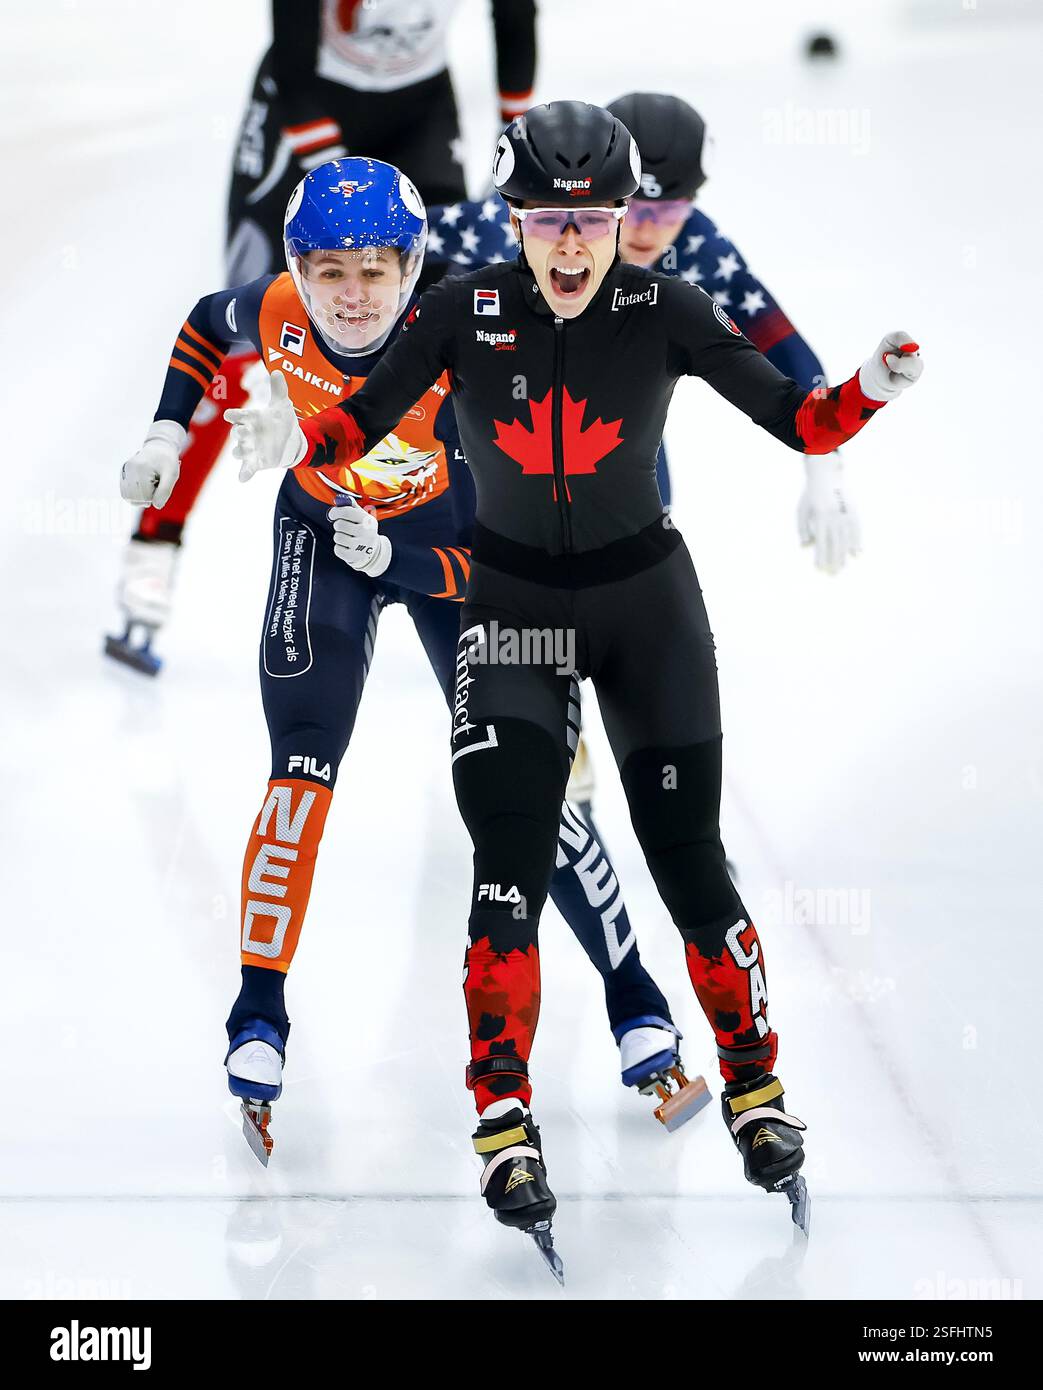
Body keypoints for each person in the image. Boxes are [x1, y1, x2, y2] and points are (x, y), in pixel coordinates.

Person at [226, 102, 922, 1259]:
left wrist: (865, 389)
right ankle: (503, 1110)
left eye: (590, 223)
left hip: (645, 605)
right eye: (545, 222)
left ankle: (753, 1087)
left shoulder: (670, 307)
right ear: (511, 220)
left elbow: (796, 418)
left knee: (687, 857)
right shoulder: (460, 306)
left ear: (615, 222)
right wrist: (287, 437)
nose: (567, 246)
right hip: (509, 607)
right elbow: (356, 422)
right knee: (508, 861)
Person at [118, 155, 702, 1167]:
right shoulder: (276, 313)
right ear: (298, 271)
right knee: (300, 771)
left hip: (453, 552)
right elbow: (207, 324)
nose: (351, 295)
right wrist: (171, 427)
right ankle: (258, 1011)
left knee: (536, 791)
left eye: (376, 272)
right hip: (321, 539)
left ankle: (634, 998)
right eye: (328, 270)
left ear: (414, 268)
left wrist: (405, 555)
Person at [107, 0, 539, 674]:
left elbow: (513, 15)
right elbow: (293, 45)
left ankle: (471, 557)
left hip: (420, 109)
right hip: (304, 100)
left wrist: (513, 142)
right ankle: (155, 541)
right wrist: (332, 181)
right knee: (257, 336)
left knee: (448, 325)